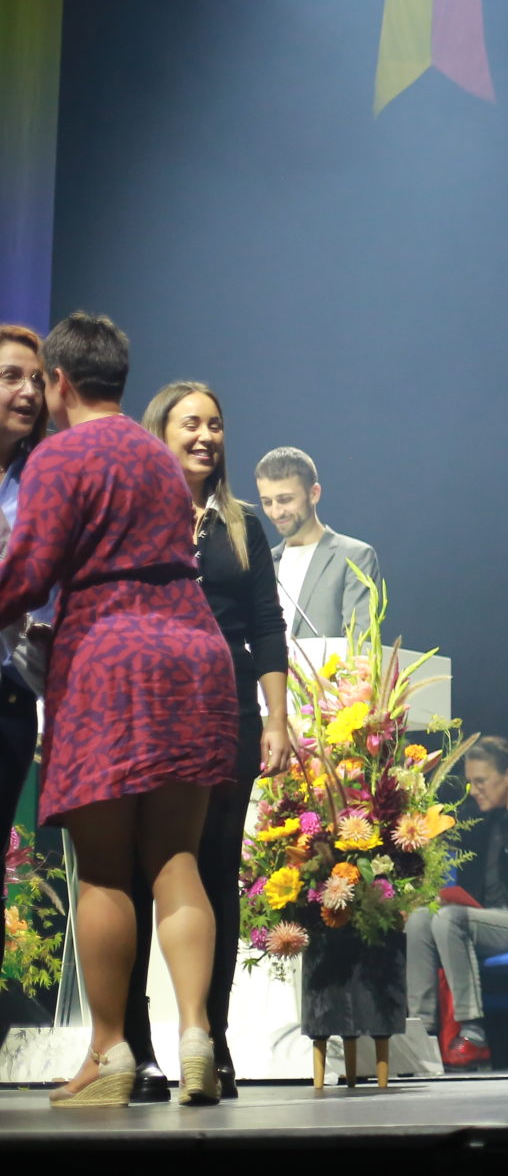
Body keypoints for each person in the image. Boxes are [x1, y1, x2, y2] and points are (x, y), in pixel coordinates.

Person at [0, 312, 239, 1106]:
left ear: (61, 382)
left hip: (110, 656)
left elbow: (29, 572)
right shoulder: (160, 458)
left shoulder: (61, 454)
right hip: (193, 650)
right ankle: (197, 1033)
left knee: (104, 871)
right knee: (177, 859)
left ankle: (110, 1052)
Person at [119, 382, 293, 1101]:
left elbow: (266, 624)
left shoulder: (242, 523)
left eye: (216, 425)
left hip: (228, 713)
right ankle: (134, 1043)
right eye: (192, 423)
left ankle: (210, 1039)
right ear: (159, 432)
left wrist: (277, 718)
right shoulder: (130, 514)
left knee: (217, 873)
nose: (206, 436)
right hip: (147, 711)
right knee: (132, 876)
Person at [404, 735, 508, 1070]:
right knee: (421, 918)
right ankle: (421, 1031)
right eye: (470, 783)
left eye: (481, 782)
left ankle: (472, 1030)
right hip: (482, 920)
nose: (474, 790)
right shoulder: (478, 819)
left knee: (450, 920)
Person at [0, 324, 54, 831]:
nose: (29, 392)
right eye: (11, 377)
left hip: (11, 694)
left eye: (37, 380)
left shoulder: (49, 472)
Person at [252, 446, 381, 639]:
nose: (276, 512)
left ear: (314, 493)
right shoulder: (262, 563)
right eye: (267, 502)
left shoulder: (355, 557)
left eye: (285, 500)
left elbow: (359, 644)